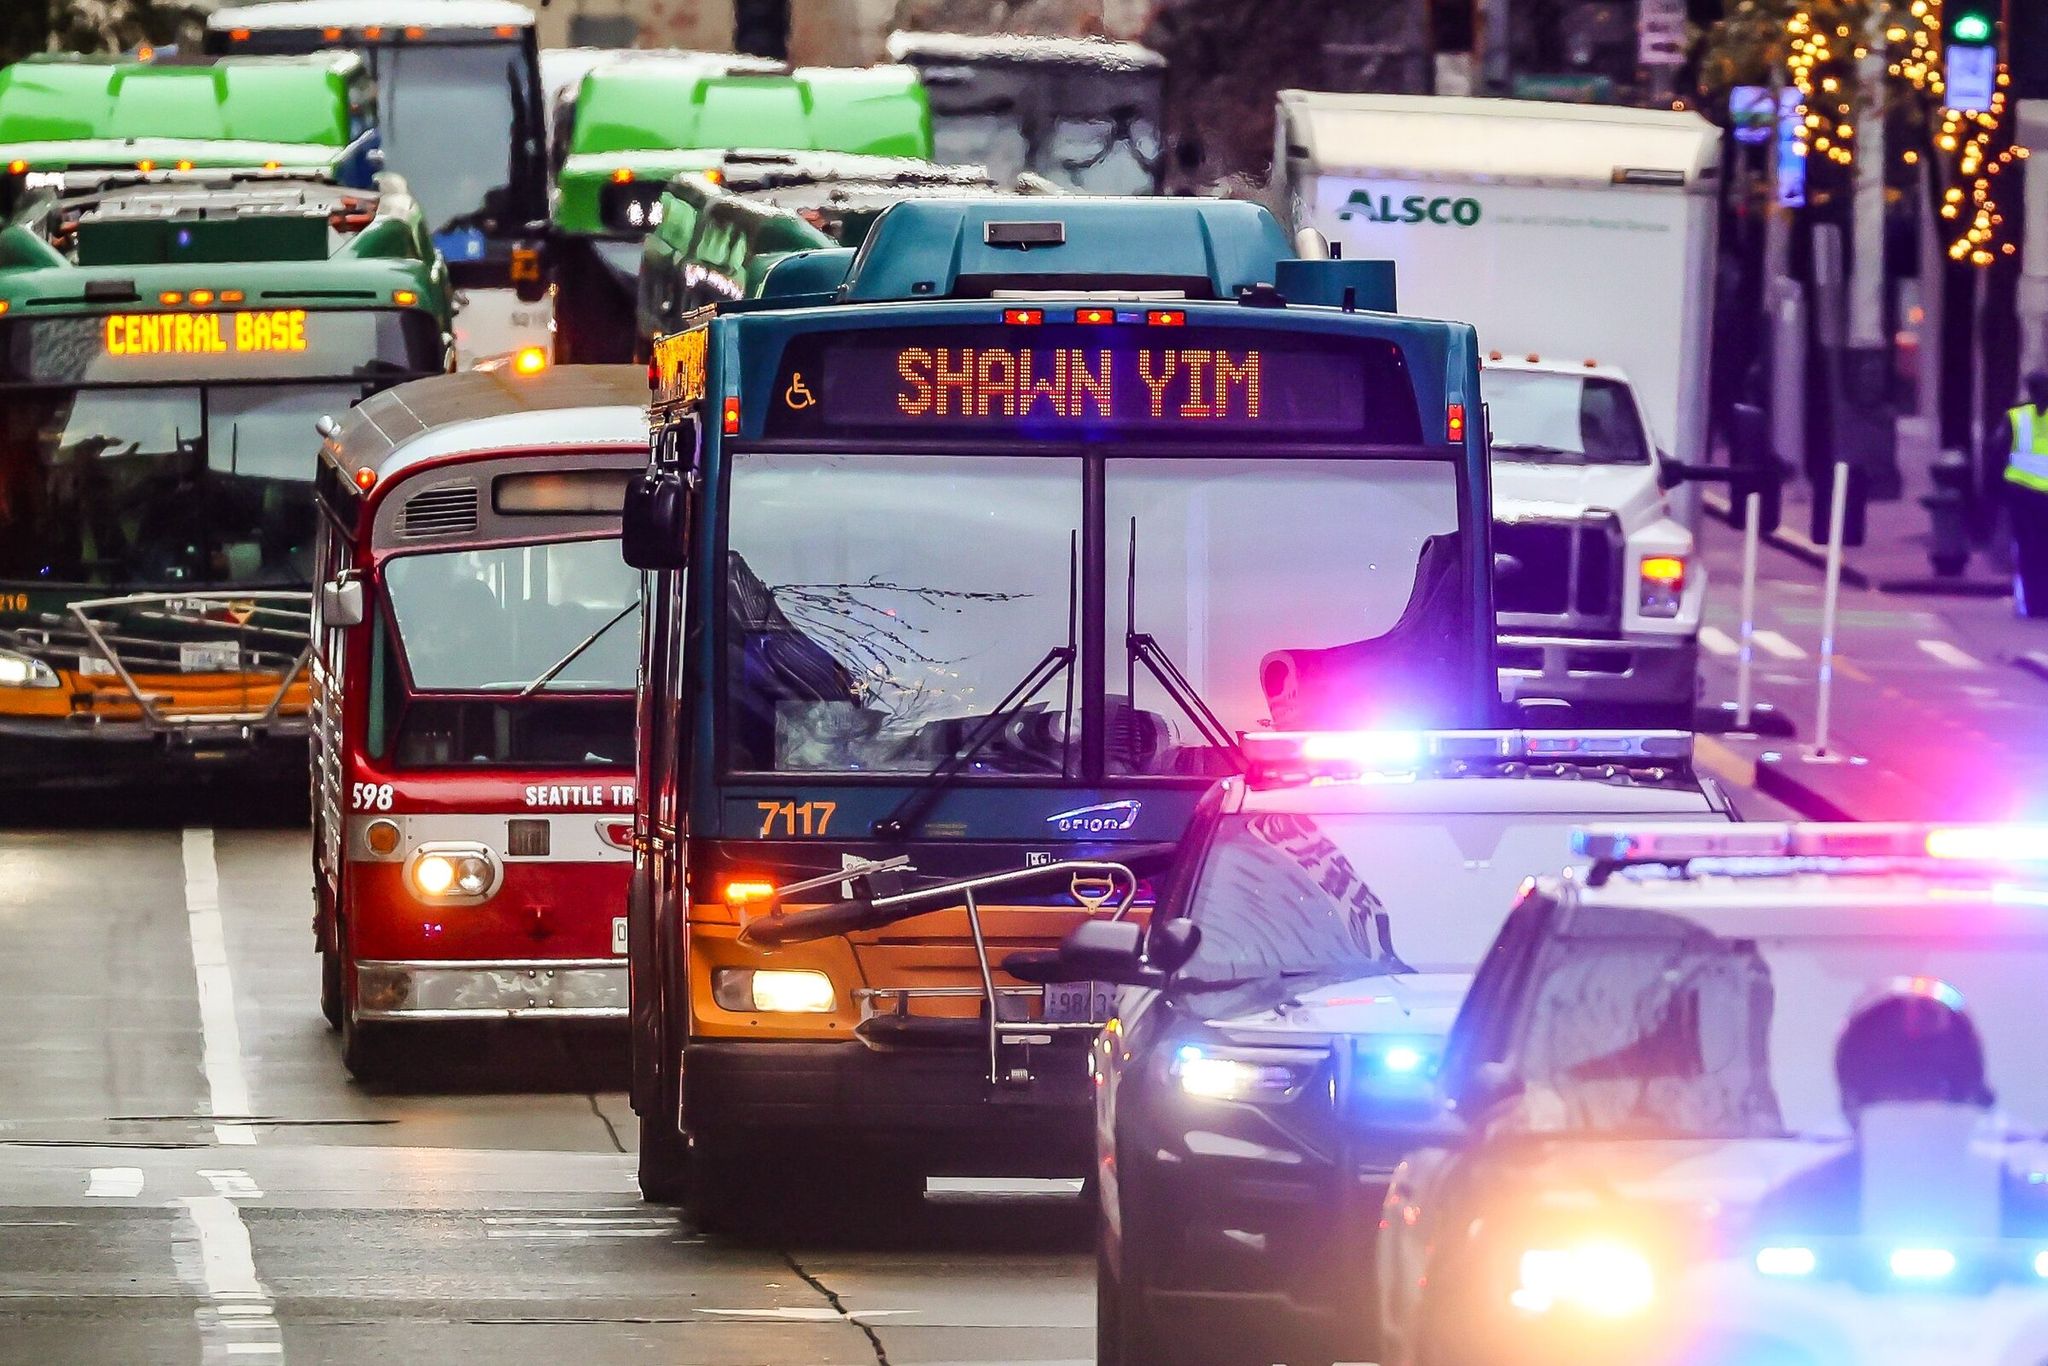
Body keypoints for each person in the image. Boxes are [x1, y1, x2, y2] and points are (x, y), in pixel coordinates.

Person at [1752, 980, 2048, 1239]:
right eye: (1895, 1090)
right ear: (1854, 1100)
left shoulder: (2027, 1204)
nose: (1916, 1107)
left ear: (1972, 1096)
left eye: (1935, 1086)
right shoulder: (1798, 1206)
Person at [1997, 371, 2048, 617]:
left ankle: (2034, 604)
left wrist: (1995, 495)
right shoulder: (2016, 417)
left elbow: (1997, 454)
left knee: (2029, 551)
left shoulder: (2016, 417)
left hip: (2022, 495)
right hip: (2035, 498)